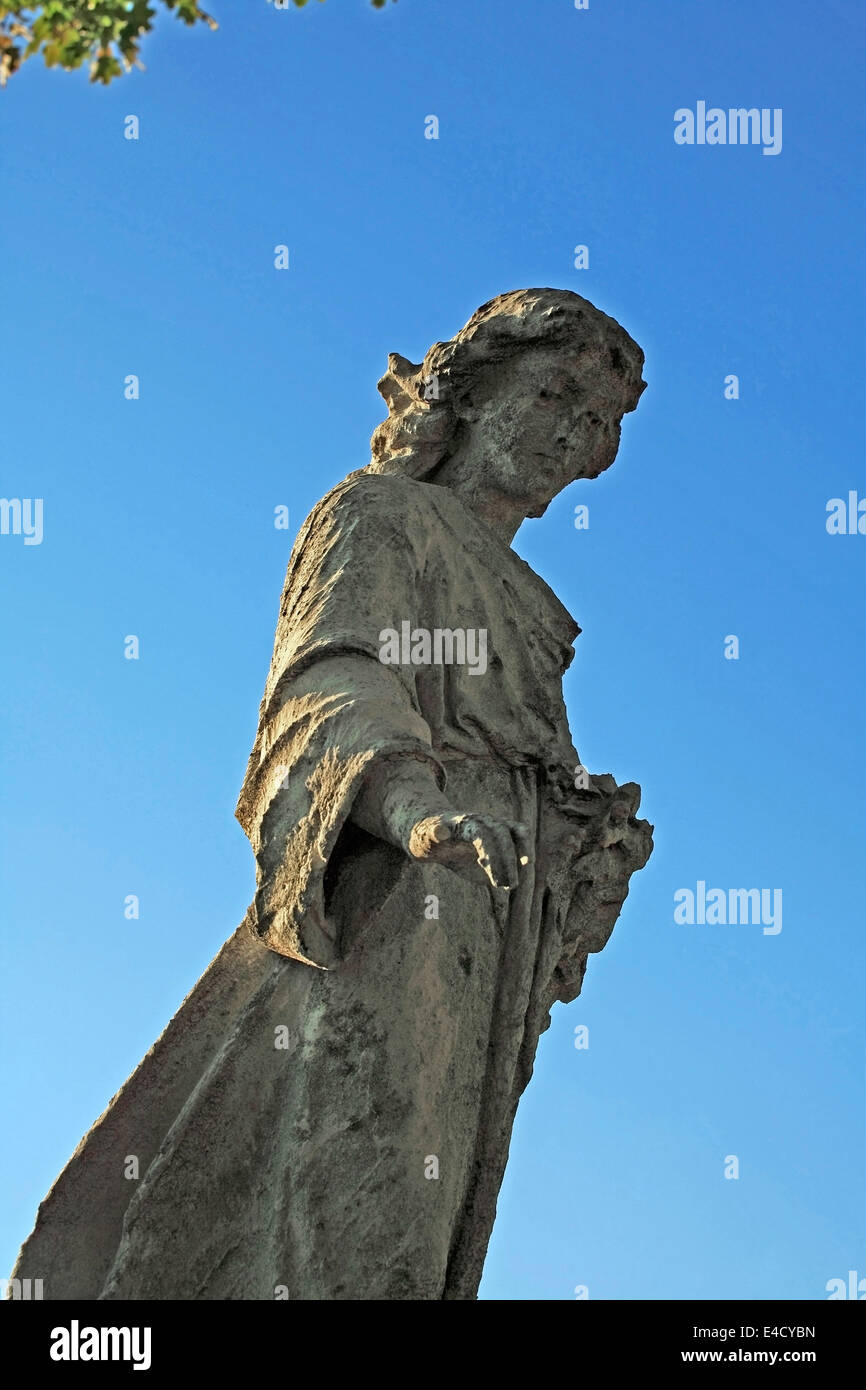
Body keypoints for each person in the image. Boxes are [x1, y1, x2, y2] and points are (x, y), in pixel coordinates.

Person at [12, 288, 653, 1301]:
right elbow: (330, 677)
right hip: (390, 893)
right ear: (478, 392)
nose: (569, 437)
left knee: (428, 1217)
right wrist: (412, 806)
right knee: (348, 1183)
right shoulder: (380, 515)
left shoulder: (532, 617)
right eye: (553, 397)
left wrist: (583, 850)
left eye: (595, 426)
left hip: (484, 933)